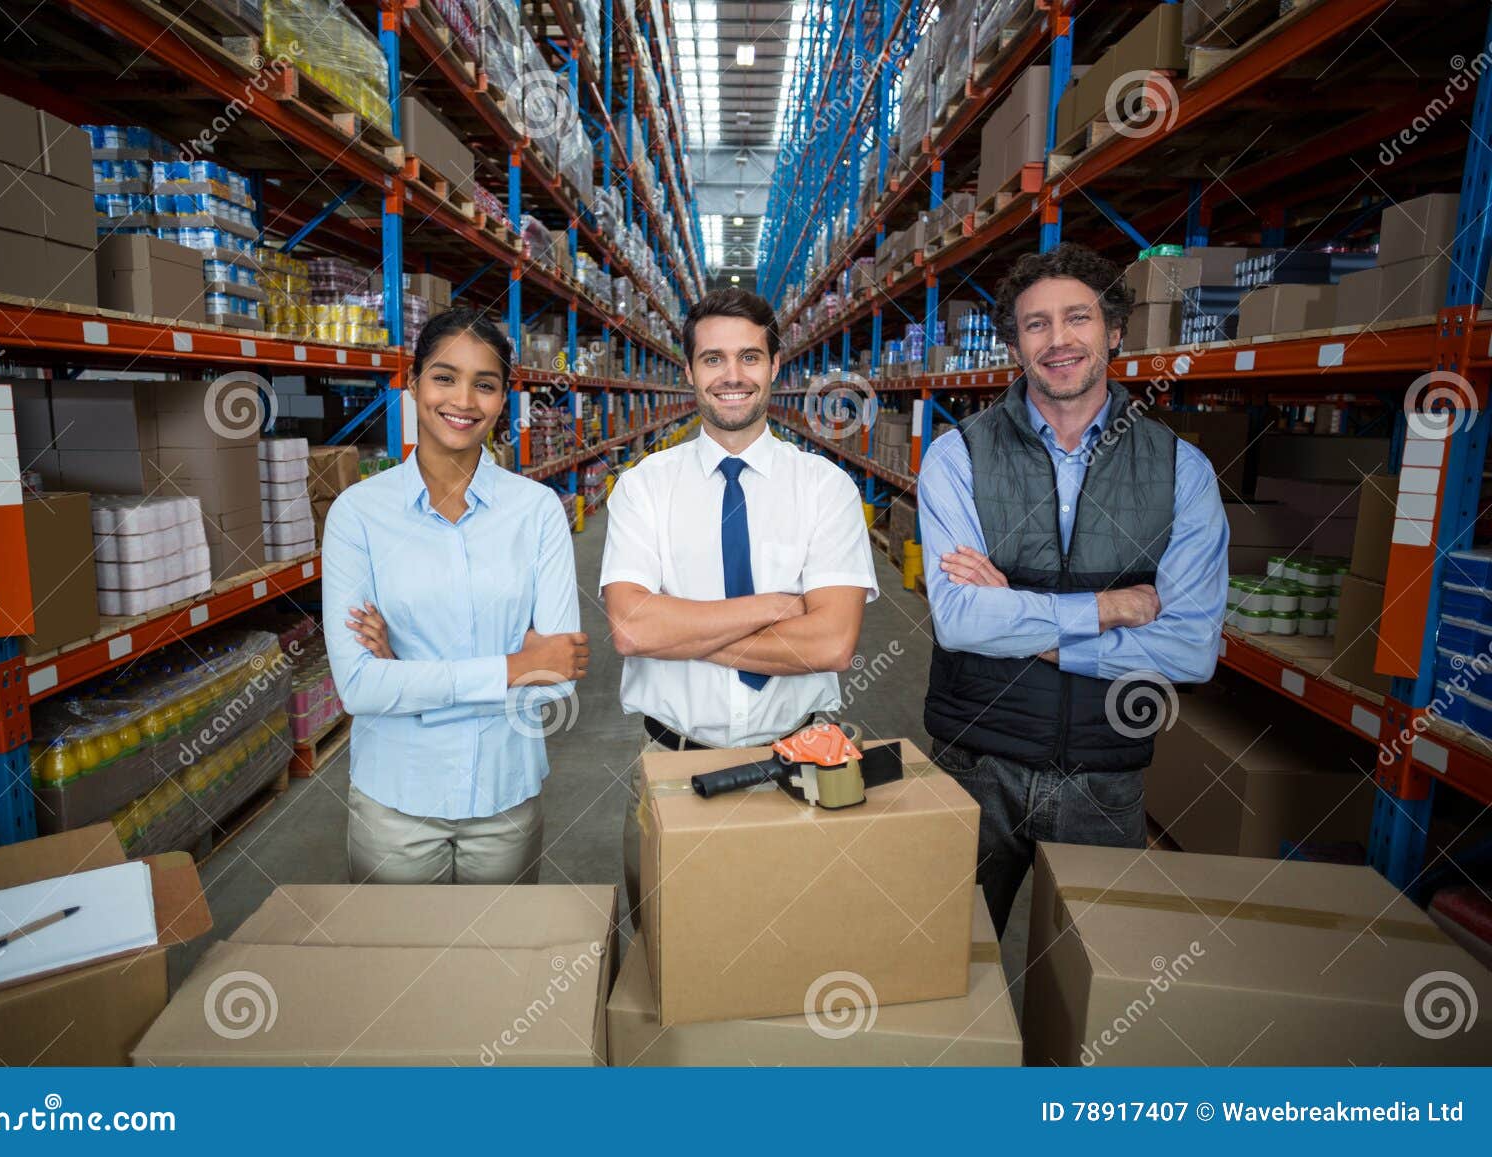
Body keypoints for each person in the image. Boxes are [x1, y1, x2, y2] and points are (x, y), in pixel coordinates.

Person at [918, 243, 1229, 936]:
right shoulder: (957, 455)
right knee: (943, 973)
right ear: (1014, 344)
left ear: (1114, 331)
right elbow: (962, 621)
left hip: (1105, 774)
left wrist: (1029, 630)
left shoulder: (1183, 471)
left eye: (1077, 318)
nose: (1058, 340)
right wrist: (1111, 609)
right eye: (1036, 324)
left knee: (1089, 995)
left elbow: (1189, 649)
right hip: (974, 765)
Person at [600, 287, 880, 921]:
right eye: (713, 359)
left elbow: (831, 645)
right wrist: (780, 605)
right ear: (690, 371)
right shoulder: (645, 488)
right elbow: (632, 630)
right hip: (672, 765)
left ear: (775, 366)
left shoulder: (824, 488)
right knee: (667, 950)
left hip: (800, 764)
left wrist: (685, 630)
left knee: (791, 953)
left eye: (749, 358)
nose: (732, 376)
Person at [322, 306, 589, 885]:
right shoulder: (358, 516)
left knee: (502, 965)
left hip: (505, 794)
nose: (464, 400)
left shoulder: (537, 511)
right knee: (399, 966)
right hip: (396, 802)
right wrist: (515, 666)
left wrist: (407, 673)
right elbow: (359, 687)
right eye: (445, 377)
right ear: (413, 382)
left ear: (502, 400)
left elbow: (559, 674)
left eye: (485, 384)